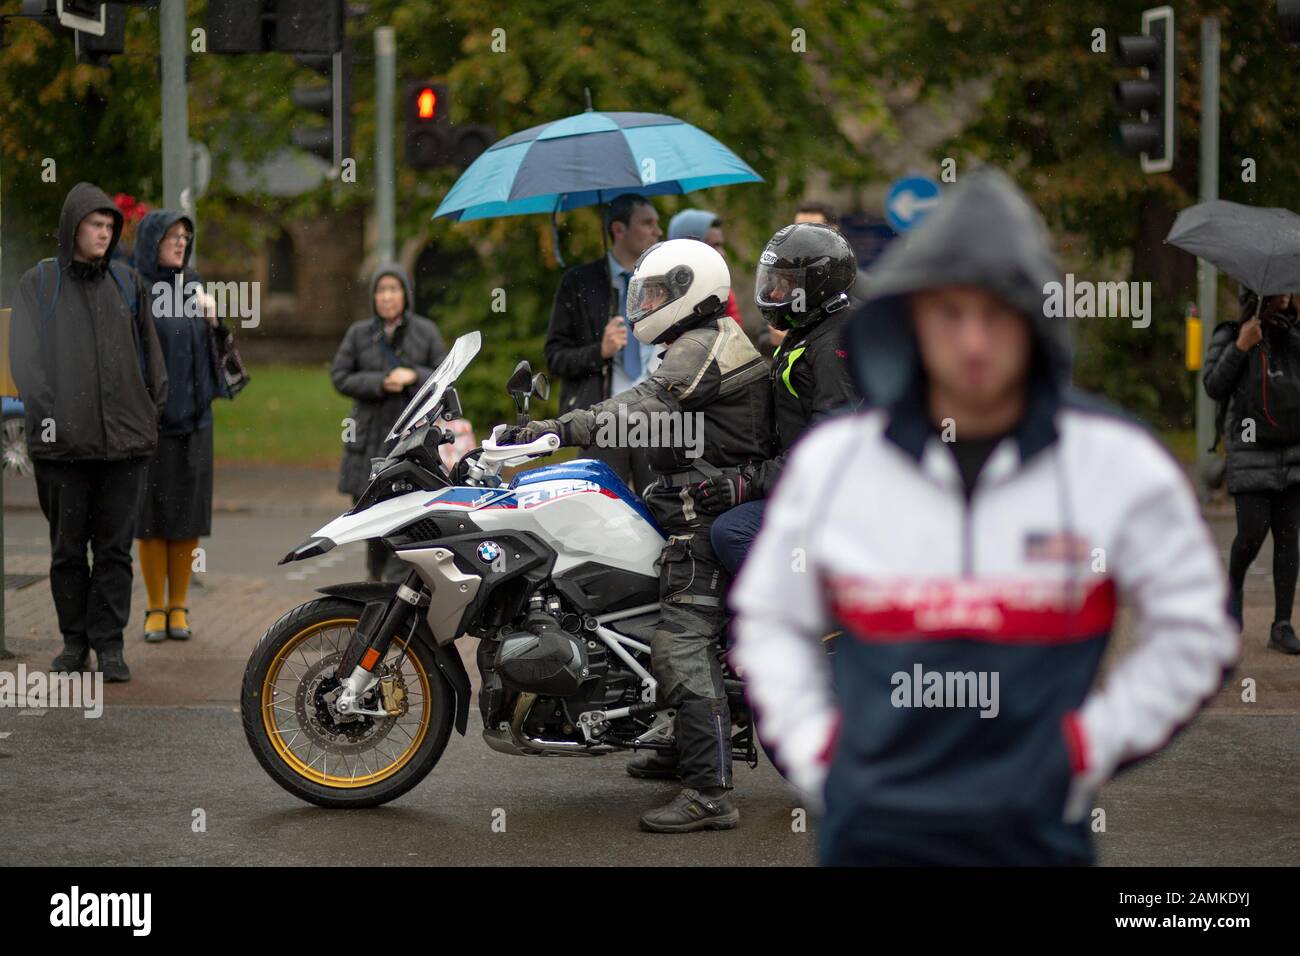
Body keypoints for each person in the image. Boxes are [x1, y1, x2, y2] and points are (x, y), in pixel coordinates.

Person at [731, 168, 1238, 866]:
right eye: (948, 313)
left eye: (997, 313)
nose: (973, 342)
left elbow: (1197, 630)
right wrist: (823, 756)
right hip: (868, 839)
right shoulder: (836, 461)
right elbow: (766, 621)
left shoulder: (1115, 462)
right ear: (912, 321)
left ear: (1036, 321)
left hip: (1035, 840)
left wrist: (1086, 751)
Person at [501, 238, 772, 832]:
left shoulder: (705, 346)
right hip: (680, 508)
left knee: (681, 641)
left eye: (654, 294)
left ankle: (709, 794)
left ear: (690, 291)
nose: (644, 305)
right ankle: (676, 743)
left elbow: (641, 407)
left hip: (701, 521)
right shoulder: (694, 344)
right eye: (642, 294)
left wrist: (557, 427)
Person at [8, 182, 169, 682]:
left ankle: (110, 645)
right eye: (94, 225)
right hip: (62, 450)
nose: (103, 233)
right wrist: (51, 415)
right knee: (68, 550)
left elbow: (152, 359)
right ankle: (74, 642)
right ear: (72, 227)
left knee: (115, 552)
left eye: (108, 226)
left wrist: (147, 413)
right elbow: (25, 360)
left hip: (124, 447)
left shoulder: (128, 284)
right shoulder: (41, 283)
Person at [704, 223, 861, 576]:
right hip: (801, 482)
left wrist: (749, 482)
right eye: (772, 281)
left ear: (819, 285)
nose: (774, 292)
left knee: (732, 531)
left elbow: (827, 447)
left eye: (786, 284)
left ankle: (798, 618)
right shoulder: (809, 328)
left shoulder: (835, 344)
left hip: (833, 495)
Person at [131, 210, 232, 643]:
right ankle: (154, 607)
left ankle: (179, 606)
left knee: (187, 516)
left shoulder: (194, 286)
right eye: (171, 236)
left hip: (195, 422)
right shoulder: (137, 288)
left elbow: (219, 357)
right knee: (151, 516)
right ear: (152, 240)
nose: (179, 243)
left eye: (185, 236)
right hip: (150, 424)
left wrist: (214, 321)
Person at [331, 264, 447, 581]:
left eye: (393, 289)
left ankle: (402, 586)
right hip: (369, 439)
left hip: (411, 442)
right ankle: (375, 580)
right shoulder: (358, 334)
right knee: (370, 517)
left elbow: (445, 376)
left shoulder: (426, 332)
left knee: (406, 514)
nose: (387, 297)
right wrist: (380, 382)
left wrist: (413, 377)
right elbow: (340, 377)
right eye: (381, 290)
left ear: (405, 295)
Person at [544, 193, 663, 493]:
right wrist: (600, 351)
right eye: (647, 223)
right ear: (618, 230)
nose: (657, 231)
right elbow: (555, 358)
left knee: (663, 509)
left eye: (658, 223)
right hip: (602, 423)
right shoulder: (578, 283)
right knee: (604, 511)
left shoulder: (664, 281)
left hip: (660, 418)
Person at [1203, 289, 1300, 654]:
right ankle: (1233, 589)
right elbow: (1214, 385)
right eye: (1279, 288)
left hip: (1292, 450)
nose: (1288, 294)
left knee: (1289, 537)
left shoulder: (1293, 336)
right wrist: (1241, 345)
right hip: (1250, 450)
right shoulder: (1231, 334)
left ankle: (1282, 624)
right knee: (1251, 533)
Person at [667, 209, 743, 325]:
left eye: (720, 245)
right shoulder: (661, 295)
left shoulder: (723, 292)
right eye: (714, 245)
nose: (722, 253)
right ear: (690, 247)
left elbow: (736, 339)